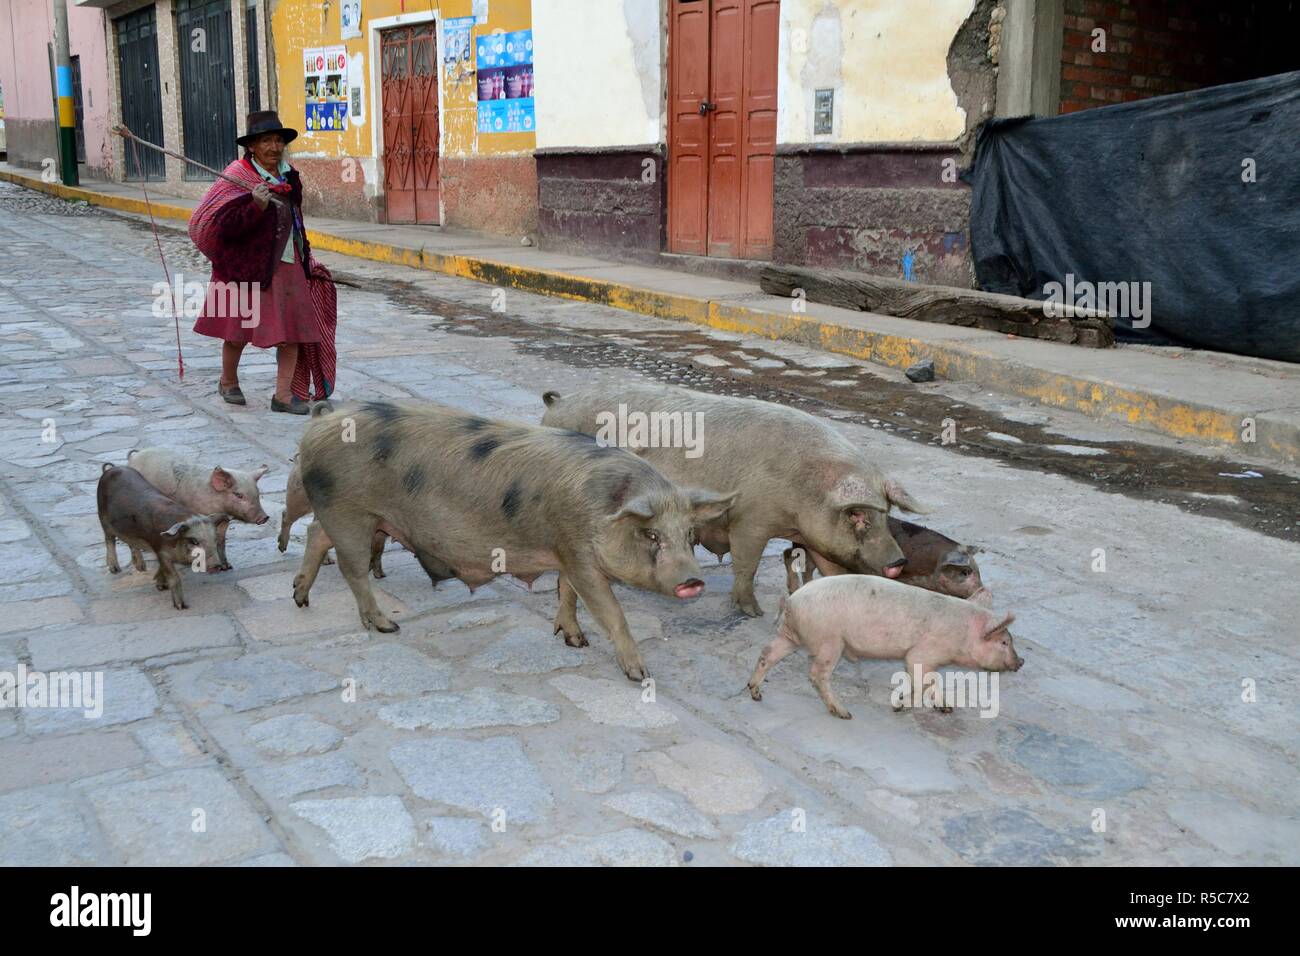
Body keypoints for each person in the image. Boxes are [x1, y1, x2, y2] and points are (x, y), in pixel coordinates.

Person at [189, 110, 336, 413]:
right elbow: (223, 228)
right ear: (252, 146)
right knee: (237, 330)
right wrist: (254, 207)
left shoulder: (289, 177)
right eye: (265, 141)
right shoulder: (237, 177)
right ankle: (228, 382)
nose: (273, 147)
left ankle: (283, 396)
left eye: (278, 140)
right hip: (244, 268)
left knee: (292, 331)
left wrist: (305, 257)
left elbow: (296, 220)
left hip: (286, 263)